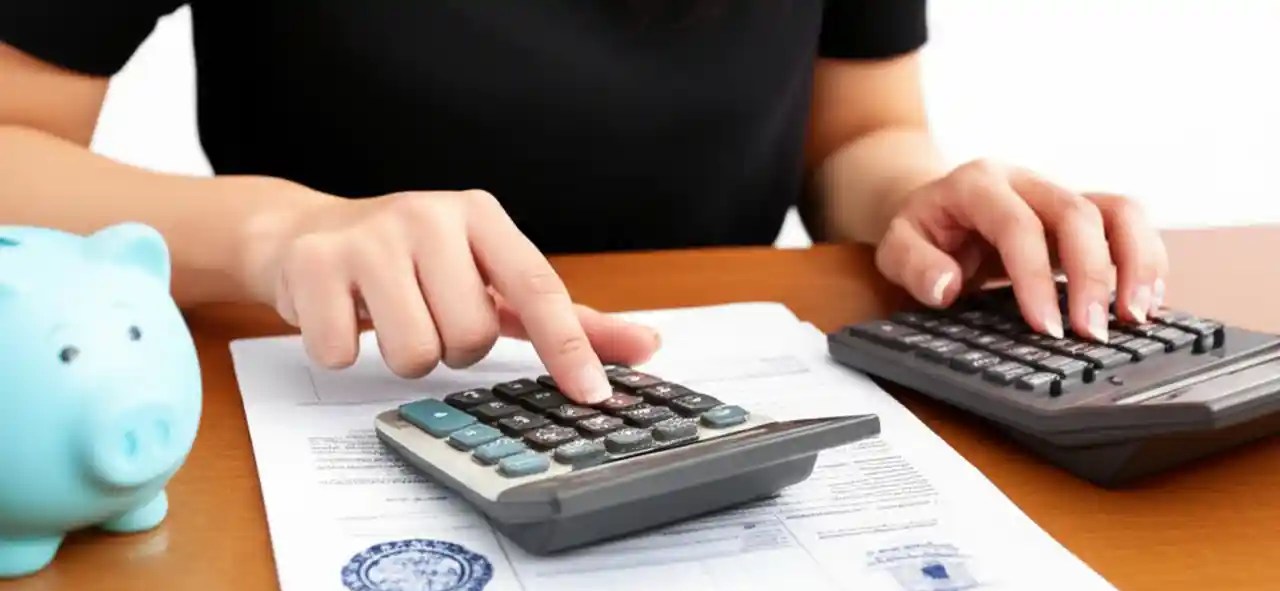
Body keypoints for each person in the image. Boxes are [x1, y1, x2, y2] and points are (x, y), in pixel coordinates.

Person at [0, 1, 1166, 406]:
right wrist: (280, 231)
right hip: (331, 387)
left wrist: (918, 197)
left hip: (708, 401)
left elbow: (859, 127)